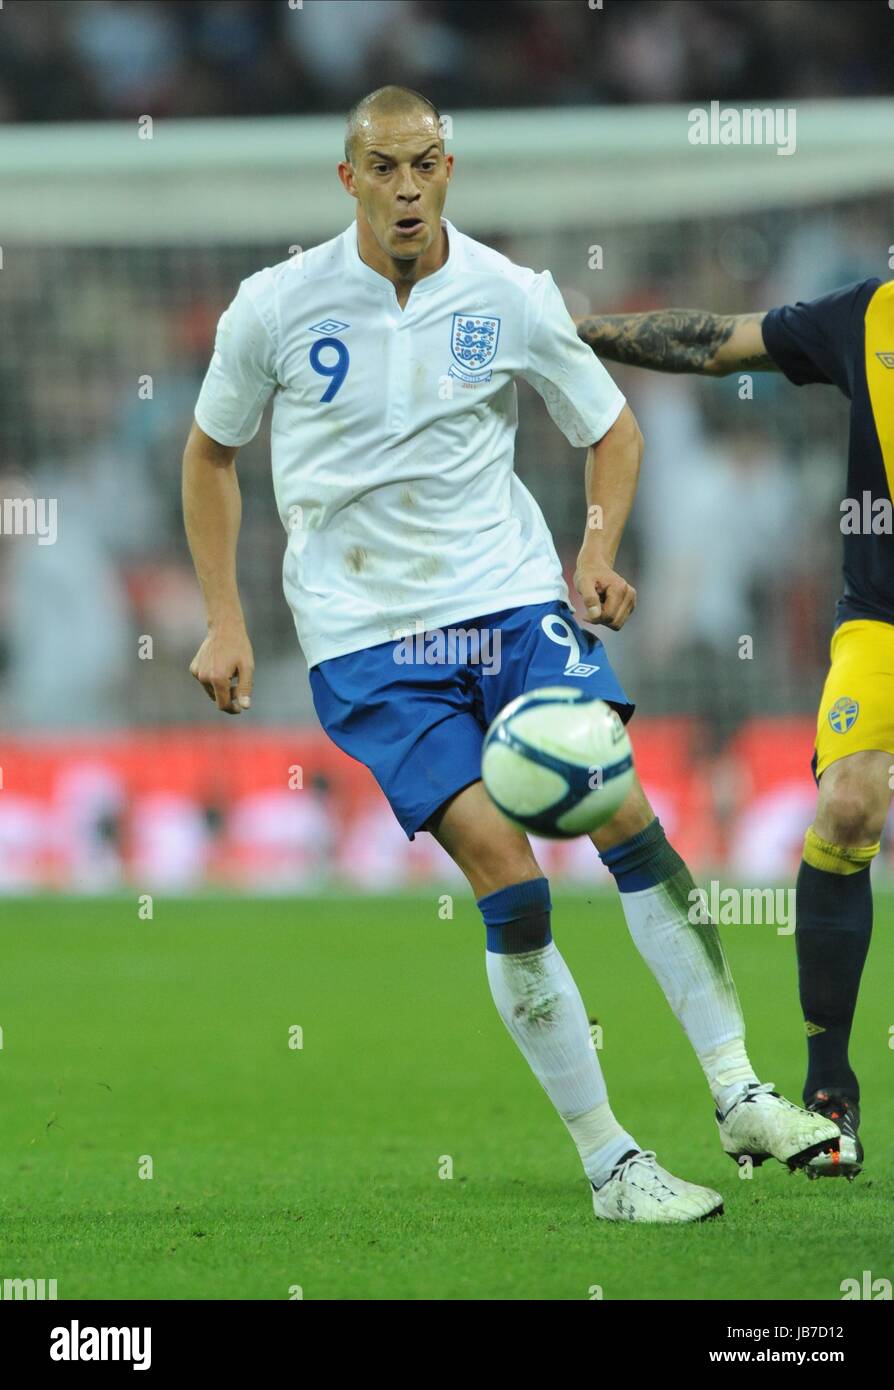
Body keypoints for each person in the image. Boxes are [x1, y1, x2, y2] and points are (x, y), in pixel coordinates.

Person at [182, 85, 837, 1223]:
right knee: (508, 867)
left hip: (510, 601)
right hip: (367, 636)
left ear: (450, 169)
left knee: (626, 813)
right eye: (382, 167)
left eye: (424, 164)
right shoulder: (274, 307)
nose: (405, 187)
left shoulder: (511, 294)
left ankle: (739, 1091)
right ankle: (610, 1164)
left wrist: (597, 551)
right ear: (349, 179)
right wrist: (225, 617)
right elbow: (208, 455)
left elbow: (611, 429)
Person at [576, 276, 894, 1178]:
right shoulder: (870, 317)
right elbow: (717, 341)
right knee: (847, 809)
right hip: (885, 619)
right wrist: (571, 330)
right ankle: (830, 1085)